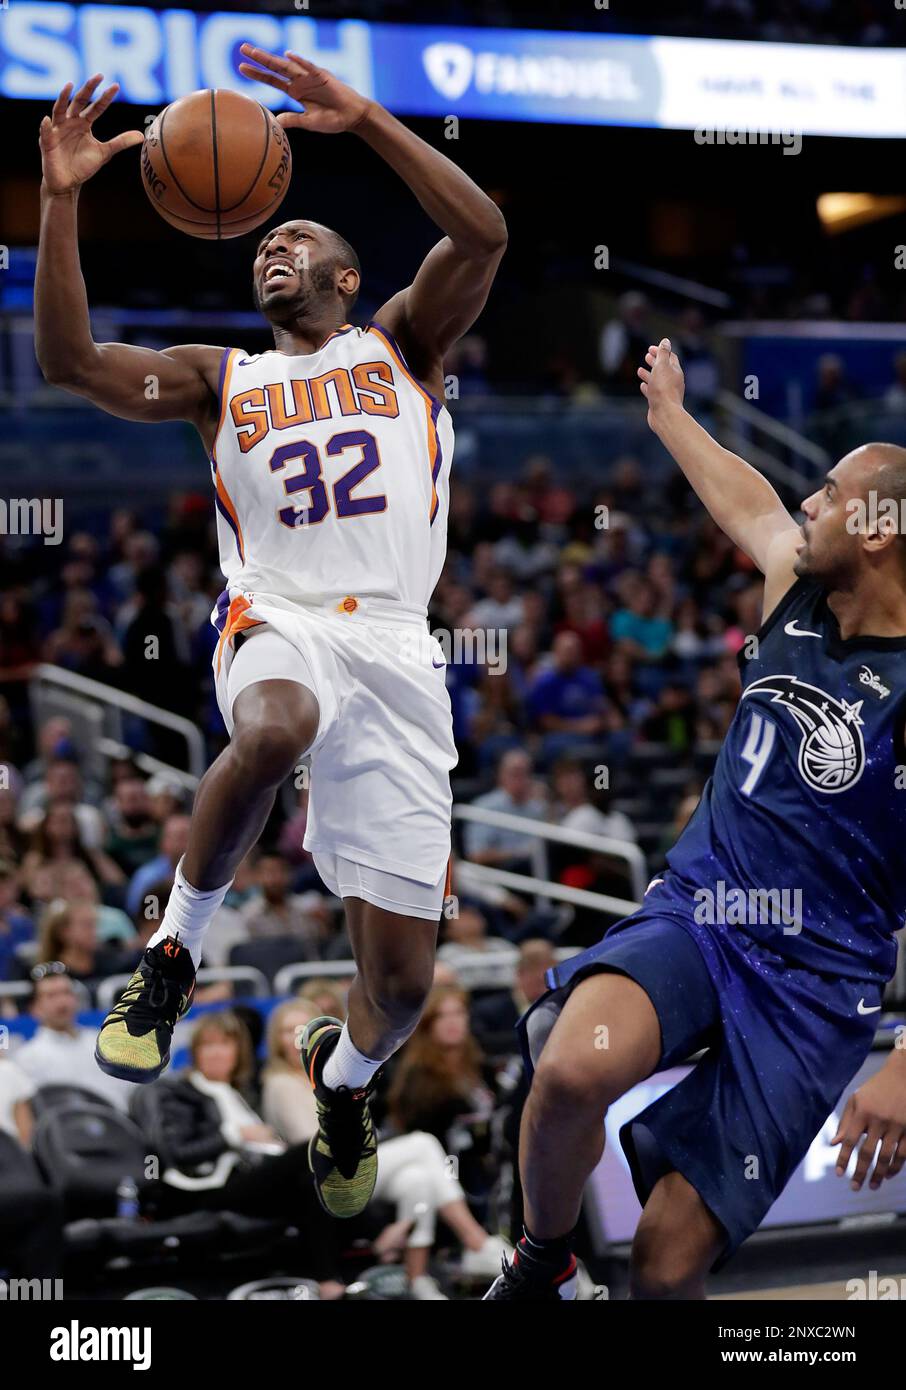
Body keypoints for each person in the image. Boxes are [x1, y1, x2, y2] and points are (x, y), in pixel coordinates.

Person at [35, 50, 505, 1220]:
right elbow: (71, 362)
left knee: (398, 987)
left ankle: (344, 1084)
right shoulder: (216, 376)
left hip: (398, 649)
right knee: (277, 720)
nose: (270, 252)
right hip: (278, 614)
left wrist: (369, 123)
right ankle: (173, 956)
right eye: (259, 248)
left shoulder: (404, 345)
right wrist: (58, 200)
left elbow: (486, 234)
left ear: (349, 278)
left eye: (294, 241)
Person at [485, 337, 906, 1300]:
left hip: (820, 985)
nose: (809, 504)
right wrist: (672, 416)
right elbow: (747, 502)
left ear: (880, 529)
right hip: (706, 915)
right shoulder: (794, 590)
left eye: (832, 494)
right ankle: (546, 1259)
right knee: (566, 1069)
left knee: (669, 1267)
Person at [263, 999, 506, 1299]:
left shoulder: (329, 1075)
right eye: (288, 1031)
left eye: (303, 1028)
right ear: (276, 1039)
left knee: (418, 1178)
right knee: (423, 1144)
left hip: (354, 1162)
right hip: (324, 1175)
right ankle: (476, 1241)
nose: (297, 1037)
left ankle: (417, 1280)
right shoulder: (281, 1083)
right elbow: (314, 1143)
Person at [149, 1012, 344, 1298]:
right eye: (208, 1045)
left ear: (238, 1052)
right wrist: (236, 1134)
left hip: (247, 1180)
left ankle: (328, 1280)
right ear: (195, 1053)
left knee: (310, 1182)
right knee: (315, 1146)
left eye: (225, 1045)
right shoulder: (181, 1093)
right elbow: (176, 1152)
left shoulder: (240, 1092)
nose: (216, 1053)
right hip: (208, 1188)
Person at [14, 967, 130, 1111]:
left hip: (123, 1125)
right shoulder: (28, 1058)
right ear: (35, 1008)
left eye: (66, 993)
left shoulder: (103, 1040)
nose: (62, 1002)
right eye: (51, 996)